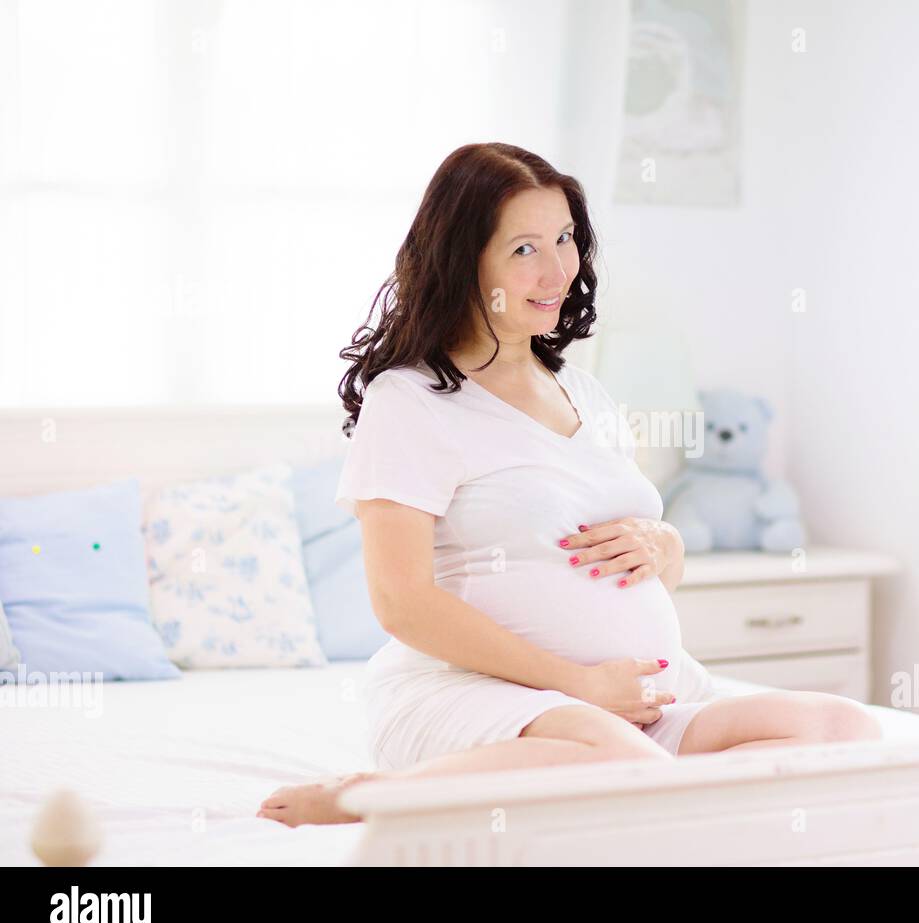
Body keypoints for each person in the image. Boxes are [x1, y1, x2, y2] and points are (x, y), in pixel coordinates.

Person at [257, 143, 880, 827]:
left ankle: (661, 792)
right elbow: (402, 602)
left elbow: (628, 559)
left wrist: (663, 544)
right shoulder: (411, 401)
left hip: (634, 707)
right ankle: (372, 797)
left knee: (840, 731)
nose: (557, 269)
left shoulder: (584, 393)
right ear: (464, 262)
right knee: (622, 766)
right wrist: (579, 684)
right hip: (479, 700)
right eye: (524, 249)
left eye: (564, 239)